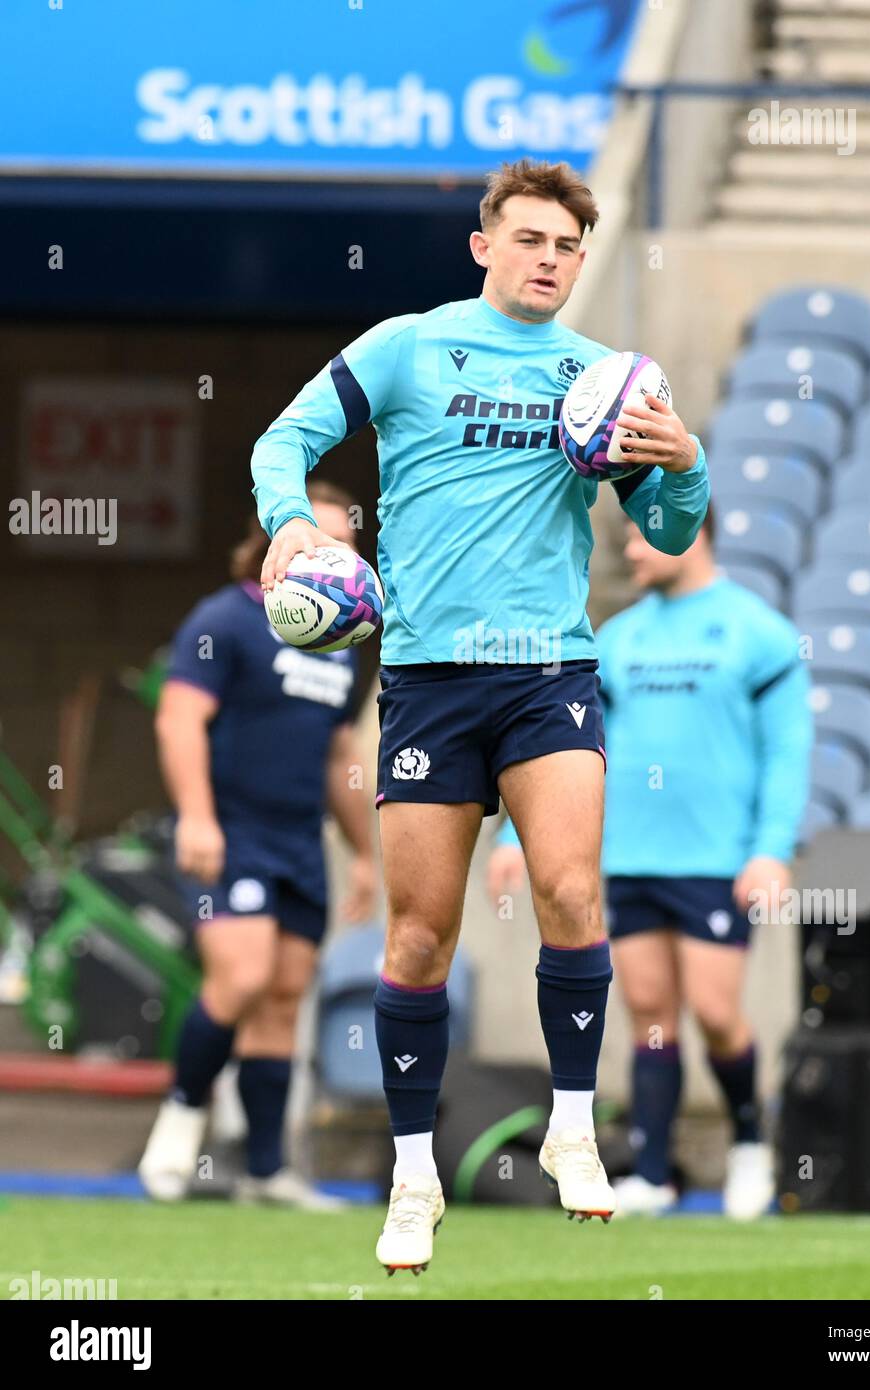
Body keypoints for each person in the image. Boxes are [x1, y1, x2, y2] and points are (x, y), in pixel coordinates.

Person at [252, 158, 710, 1272]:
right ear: (484, 244)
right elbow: (283, 442)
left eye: (567, 246)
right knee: (418, 936)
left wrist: (686, 463)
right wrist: (294, 527)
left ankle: (570, 1126)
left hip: (548, 669)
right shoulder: (406, 344)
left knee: (568, 887)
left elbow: (667, 519)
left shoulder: (602, 375)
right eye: (532, 240)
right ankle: (412, 1175)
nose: (550, 260)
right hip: (425, 678)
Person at [488, 506, 811, 1218]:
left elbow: (786, 752)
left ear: (690, 531)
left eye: (644, 532)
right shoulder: (617, 638)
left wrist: (770, 849)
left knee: (717, 1013)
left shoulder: (758, 632)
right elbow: (561, 754)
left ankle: (752, 1145)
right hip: (631, 858)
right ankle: (654, 1173)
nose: (632, 547)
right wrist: (515, 838)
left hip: (715, 861)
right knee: (648, 1014)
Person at [138, 481, 377, 1209]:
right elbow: (178, 721)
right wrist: (199, 818)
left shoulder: (339, 641)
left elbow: (339, 757)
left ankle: (268, 1170)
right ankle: (180, 1121)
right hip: (232, 833)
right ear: (276, 542)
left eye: (346, 543)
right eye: (318, 539)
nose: (334, 555)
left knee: (281, 998)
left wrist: (365, 851)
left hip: (299, 842)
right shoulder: (226, 620)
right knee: (240, 979)